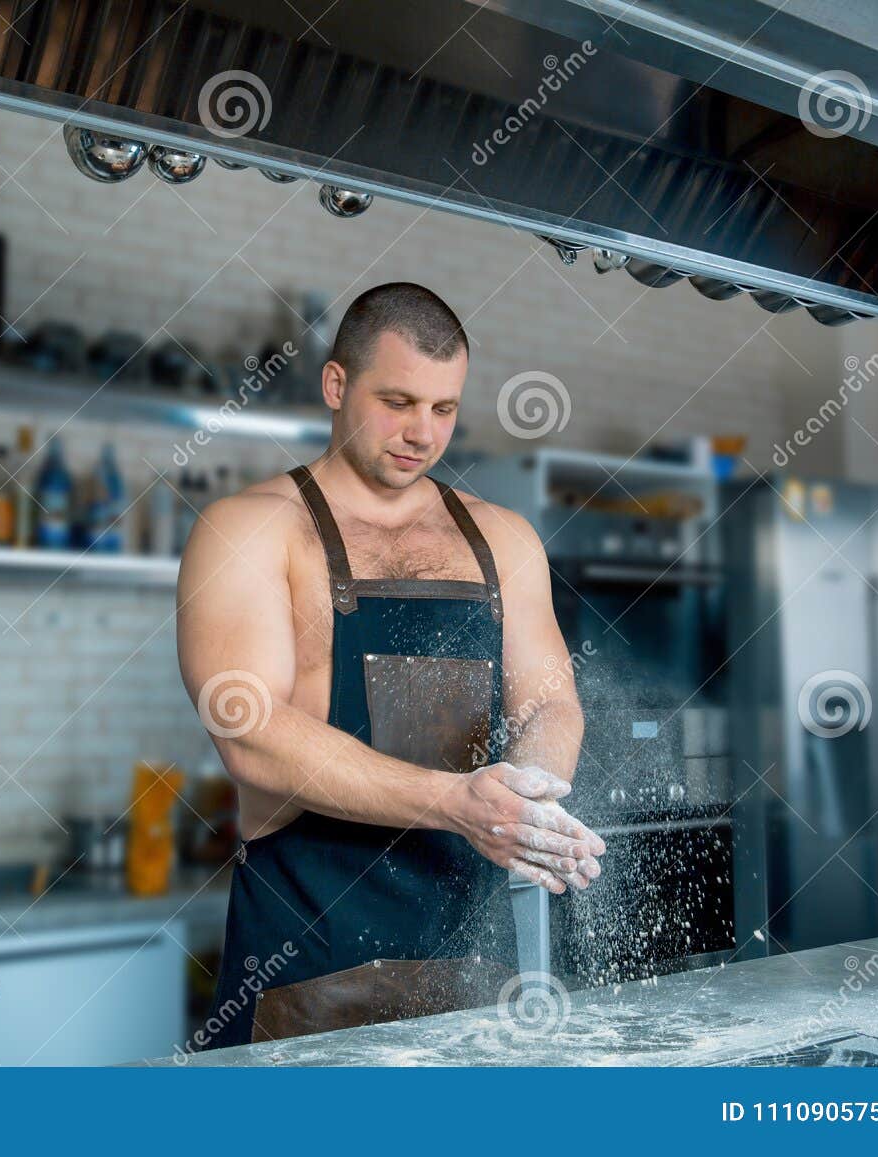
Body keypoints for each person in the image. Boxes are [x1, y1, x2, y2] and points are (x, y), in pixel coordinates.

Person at [176, 282, 603, 1049]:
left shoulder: (503, 538)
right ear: (336, 384)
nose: (421, 432)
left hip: (478, 975)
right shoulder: (251, 529)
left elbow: (549, 702)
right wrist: (456, 802)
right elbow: (250, 730)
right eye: (398, 402)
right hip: (305, 977)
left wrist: (530, 807)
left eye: (444, 408)